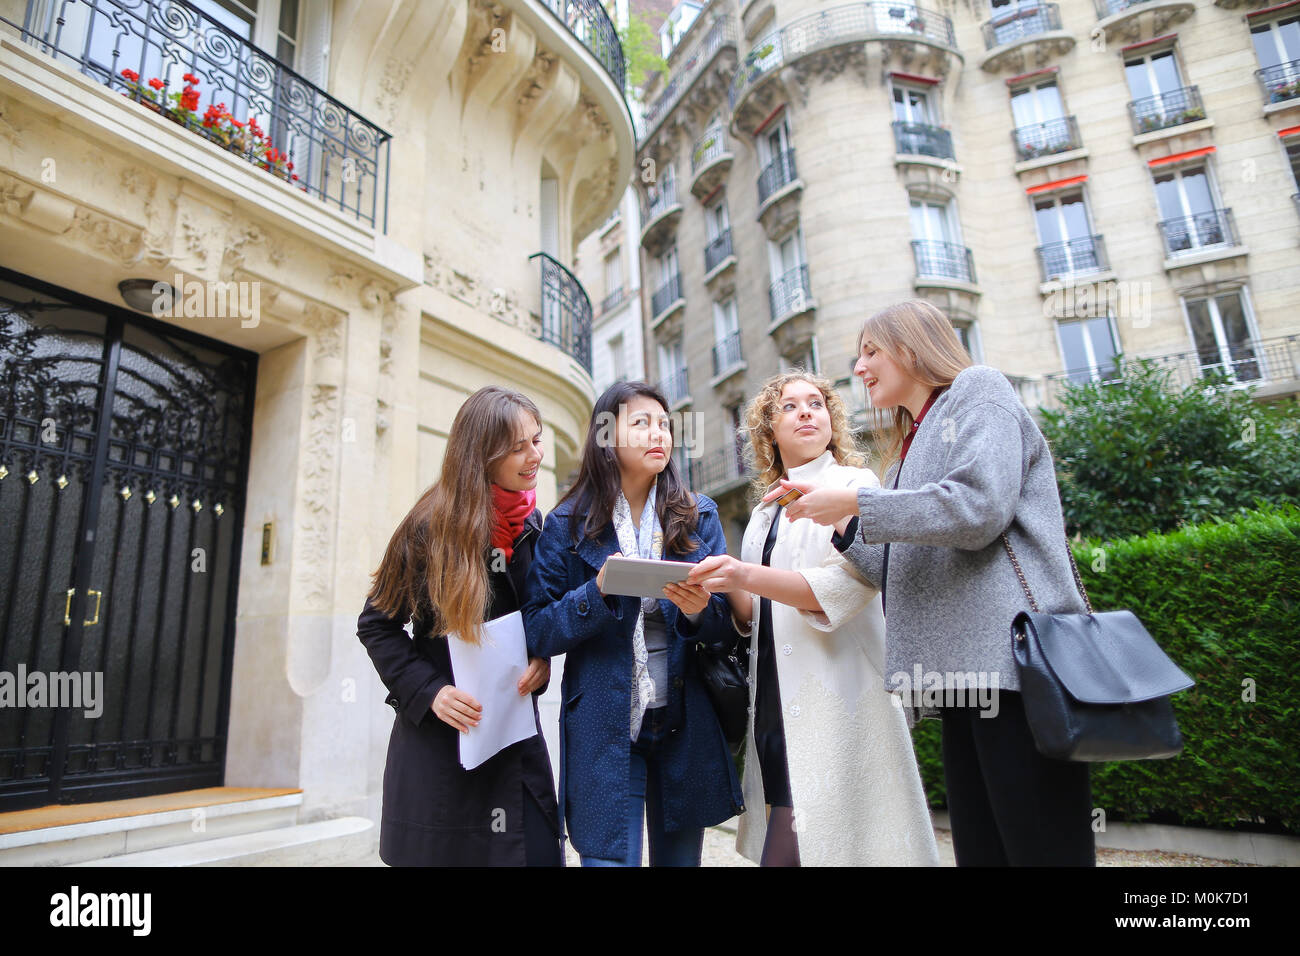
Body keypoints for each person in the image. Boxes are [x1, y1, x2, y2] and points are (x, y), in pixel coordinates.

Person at [770, 299, 1096, 867]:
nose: (860, 368)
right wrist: (842, 520)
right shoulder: (907, 452)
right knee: (985, 851)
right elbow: (886, 567)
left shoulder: (980, 389)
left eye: (870, 351)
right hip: (961, 679)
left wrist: (858, 499)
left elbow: (979, 509)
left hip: (1016, 667)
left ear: (912, 346)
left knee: (1041, 849)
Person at [687, 372, 939, 866]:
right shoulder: (763, 512)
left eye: (817, 403)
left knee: (826, 850)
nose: (806, 412)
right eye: (790, 407)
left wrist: (743, 573)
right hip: (776, 705)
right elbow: (755, 613)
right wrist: (706, 589)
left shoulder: (855, 486)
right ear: (768, 432)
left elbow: (840, 590)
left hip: (840, 700)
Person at [522, 381, 744, 866]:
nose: (657, 433)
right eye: (640, 423)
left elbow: (728, 626)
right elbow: (537, 629)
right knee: (605, 859)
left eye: (664, 424)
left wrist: (697, 610)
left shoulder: (697, 514)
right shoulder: (566, 523)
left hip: (682, 723)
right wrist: (595, 593)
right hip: (605, 727)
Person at [355, 386, 561, 866]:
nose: (535, 455)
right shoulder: (427, 527)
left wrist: (541, 659)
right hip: (443, 751)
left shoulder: (535, 524)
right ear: (481, 454)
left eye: (538, 439)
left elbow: (538, 616)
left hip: (514, 741)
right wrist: (431, 693)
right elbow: (376, 625)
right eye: (519, 447)